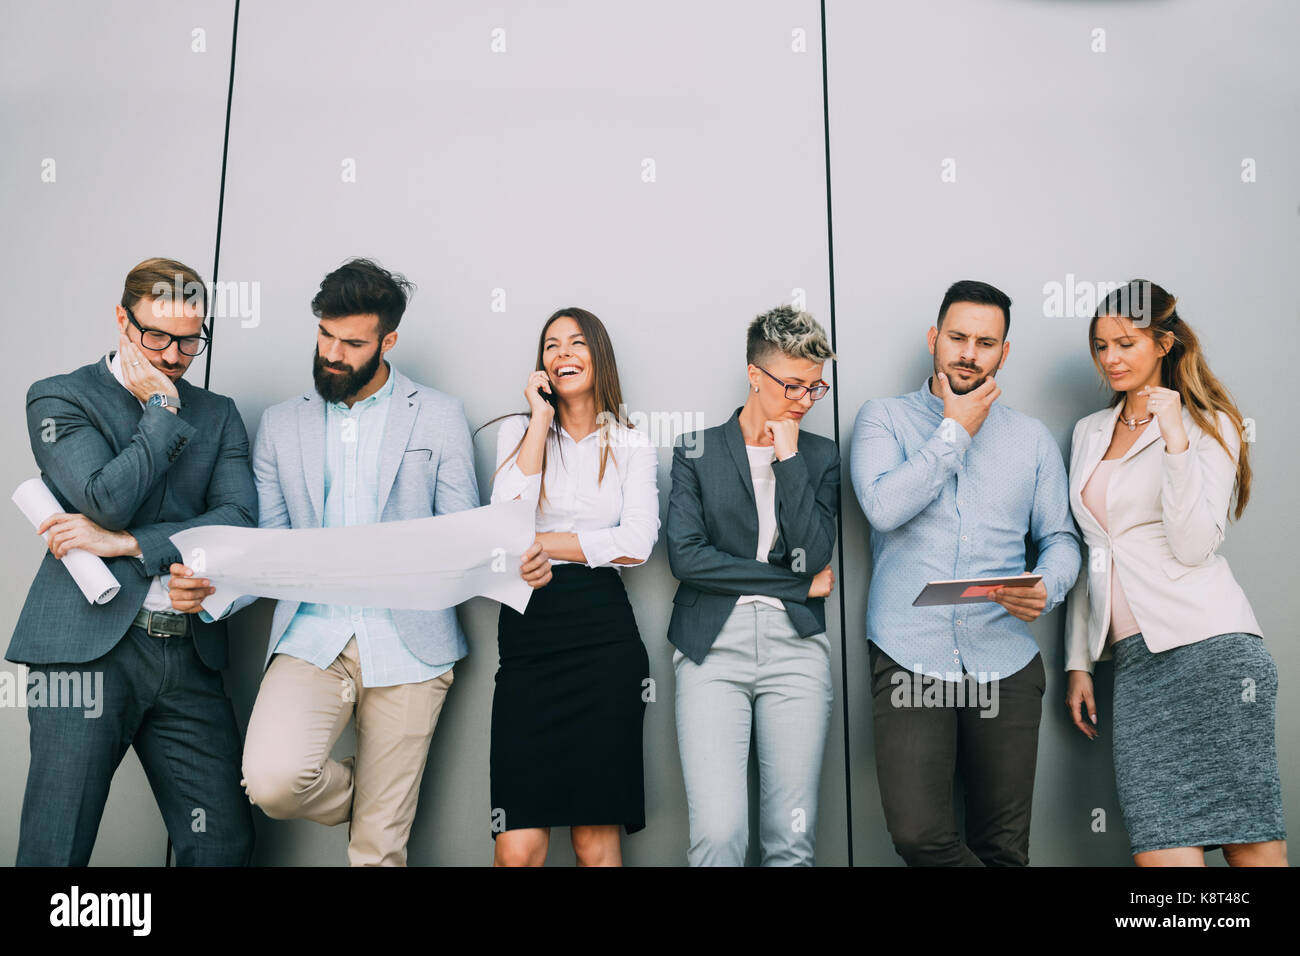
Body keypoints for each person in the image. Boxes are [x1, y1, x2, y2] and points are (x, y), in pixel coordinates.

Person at [168, 258, 549, 866]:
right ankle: (376, 796)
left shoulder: (439, 417)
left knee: (377, 849)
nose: (333, 353)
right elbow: (269, 549)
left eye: (352, 342)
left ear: (387, 341)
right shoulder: (281, 424)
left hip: (411, 644)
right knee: (271, 782)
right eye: (325, 335)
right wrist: (210, 589)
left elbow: (465, 534)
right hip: (310, 635)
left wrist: (514, 563)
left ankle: (381, 810)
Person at [10, 257, 257, 865]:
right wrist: (163, 412)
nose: (174, 356)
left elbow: (240, 521)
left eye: (190, 340)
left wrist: (130, 547)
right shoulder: (59, 397)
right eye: (158, 337)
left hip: (189, 655)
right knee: (56, 844)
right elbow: (104, 499)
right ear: (122, 320)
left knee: (223, 843)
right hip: (86, 656)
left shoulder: (220, 413)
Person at [849, 279, 1080, 866]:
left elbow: (1061, 539)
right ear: (934, 338)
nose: (968, 353)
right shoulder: (884, 420)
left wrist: (1047, 585)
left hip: (1005, 659)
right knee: (920, 836)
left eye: (985, 342)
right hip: (909, 656)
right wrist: (955, 431)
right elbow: (883, 506)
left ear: (1004, 352)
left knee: (1003, 849)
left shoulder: (1030, 440)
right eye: (957, 337)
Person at [1064, 280, 1286, 866]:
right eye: (1100, 345)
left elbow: (1192, 546)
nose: (1110, 358)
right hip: (1138, 666)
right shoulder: (1089, 432)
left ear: (1164, 343)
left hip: (1214, 653)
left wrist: (1176, 439)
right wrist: (1079, 663)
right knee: (1161, 848)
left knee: (1249, 837)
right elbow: (1093, 548)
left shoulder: (1211, 424)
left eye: (1125, 343)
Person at [483, 306, 659, 866]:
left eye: (576, 342)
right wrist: (539, 417)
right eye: (551, 345)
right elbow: (507, 516)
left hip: (604, 641)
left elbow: (638, 541)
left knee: (595, 840)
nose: (563, 354)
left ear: (597, 355)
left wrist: (542, 544)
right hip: (530, 633)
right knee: (518, 844)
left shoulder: (632, 443)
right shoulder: (517, 430)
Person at [666, 305, 840, 866]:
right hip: (711, 647)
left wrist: (788, 456)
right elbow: (688, 559)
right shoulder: (696, 450)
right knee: (719, 835)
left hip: (797, 653)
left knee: (791, 839)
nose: (804, 400)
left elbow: (813, 555)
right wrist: (794, 585)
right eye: (792, 385)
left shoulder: (820, 456)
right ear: (753, 374)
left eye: (816, 388)